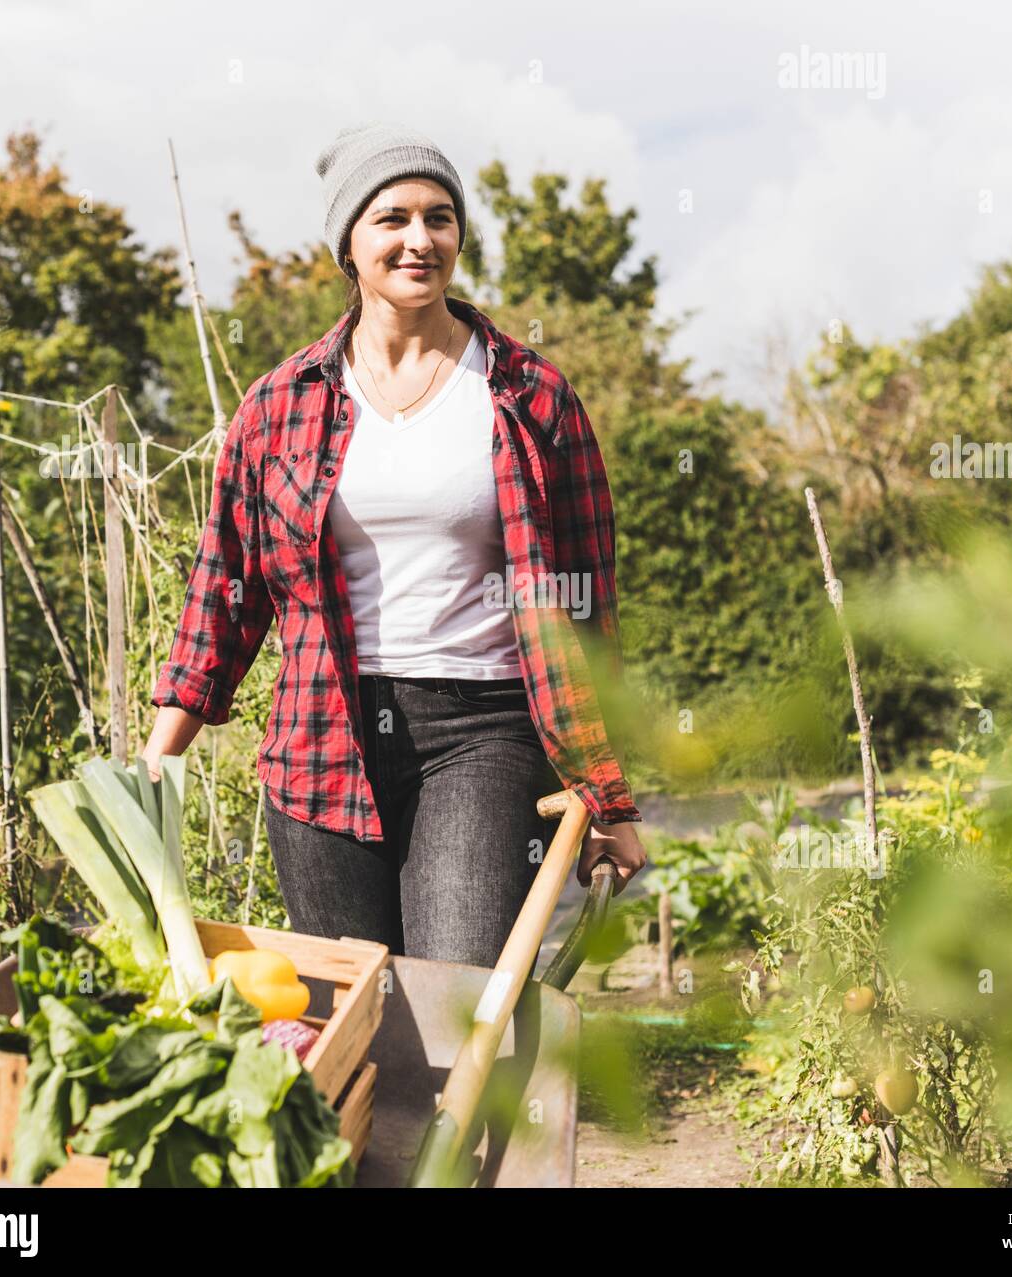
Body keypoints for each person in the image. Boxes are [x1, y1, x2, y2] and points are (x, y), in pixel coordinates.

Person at [142, 122, 645, 967]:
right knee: (354, 1011)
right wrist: (154, 763)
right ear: (349, 243)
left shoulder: (530, 396)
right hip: (320, 735)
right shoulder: (281, 405)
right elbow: (225, 589)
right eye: (394, 219)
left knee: (455, 998)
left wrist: (610, 795)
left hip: (484, 728)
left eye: (441, 217)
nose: (421, 239)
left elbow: (587, 608)